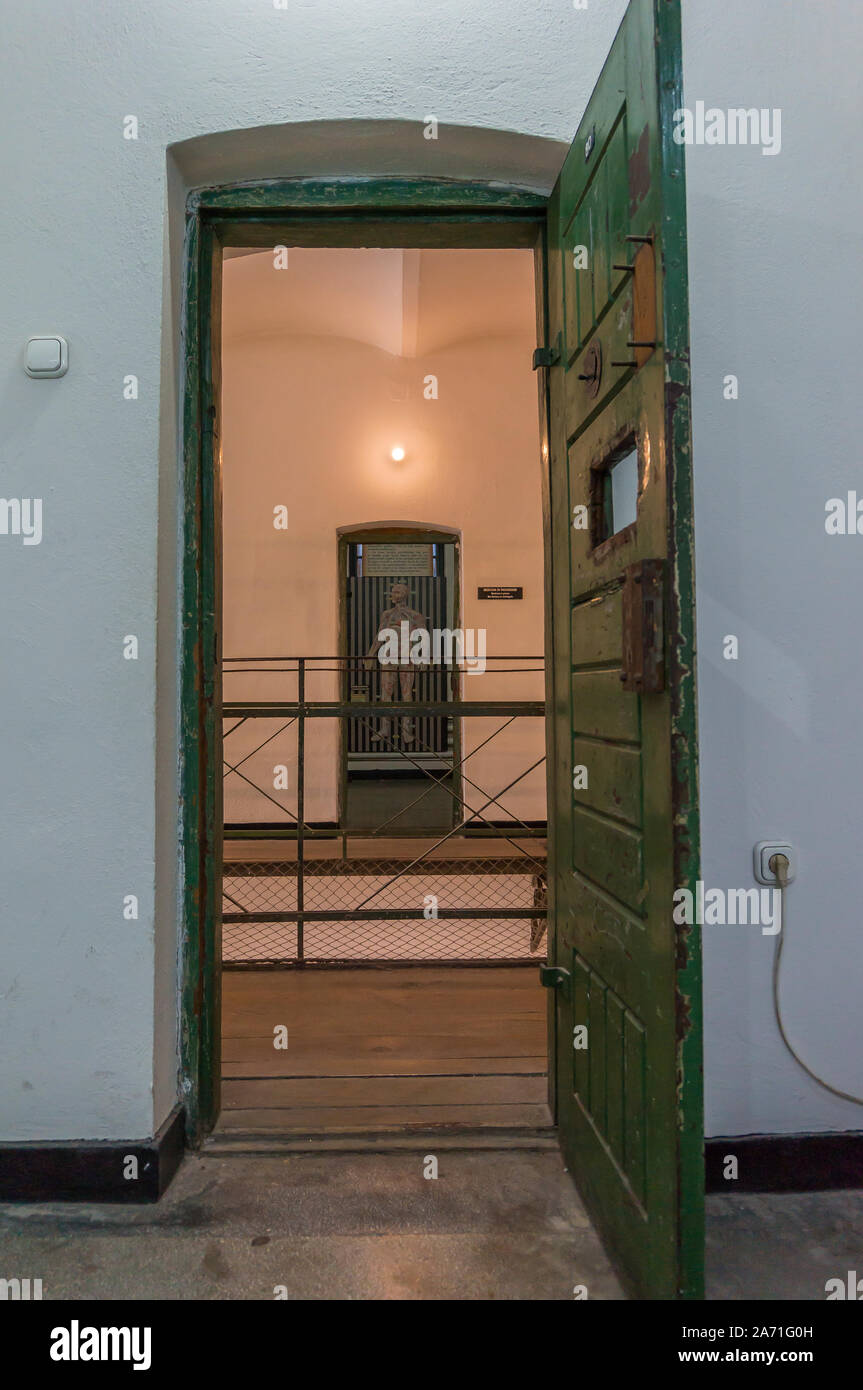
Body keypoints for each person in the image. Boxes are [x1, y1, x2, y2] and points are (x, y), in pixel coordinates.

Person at [365, 581, 428, 744]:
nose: (393, 595)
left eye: (397, 592)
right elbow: (380, 635)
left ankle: (406, 730)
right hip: (389, 656)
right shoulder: (387, 615)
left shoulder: (415, 615)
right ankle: (385, 728)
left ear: (405, 594)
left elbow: (424, 636)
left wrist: (423, 656)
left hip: (406, 657)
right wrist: (371, 655)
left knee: (407, 694)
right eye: (393, 592)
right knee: (386, 692)